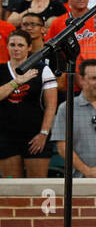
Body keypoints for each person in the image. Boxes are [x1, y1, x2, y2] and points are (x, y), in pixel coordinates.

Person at [0, 28, 57, 177]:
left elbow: (51, 105)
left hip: (35, 134)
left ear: (29, 47)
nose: (16, 49)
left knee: (36, 186)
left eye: (20, 45)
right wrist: (17, 82)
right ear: (6, 46)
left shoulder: (42, 69)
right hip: (6, 135)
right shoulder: (0, 70)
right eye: (12, 45)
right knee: (12, 187)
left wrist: (44, 133)